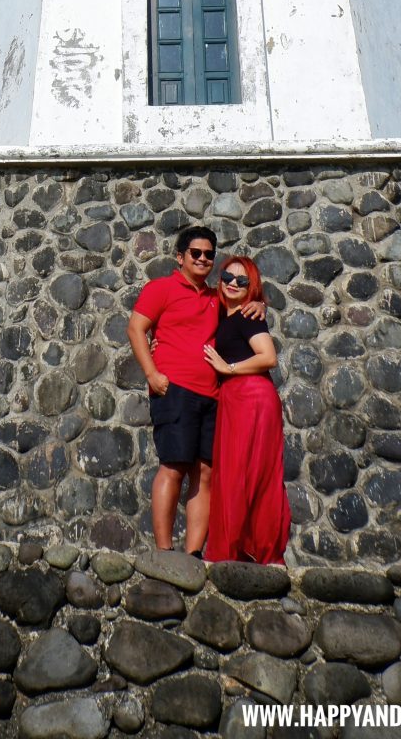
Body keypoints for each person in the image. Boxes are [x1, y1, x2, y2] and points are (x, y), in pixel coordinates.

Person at [126, 226, 264, 552]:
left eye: (208, 254)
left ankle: (192, 554)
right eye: (196, 253)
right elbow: (136, 328)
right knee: (173, 467)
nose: (203, 259)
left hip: (213, 395)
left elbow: (243, 300)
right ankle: (164, 552)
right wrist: (151, 374)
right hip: (174, 390)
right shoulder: (161, 288)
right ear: (180, 257)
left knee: (204, 474)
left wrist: (260, 305)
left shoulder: (217, 296)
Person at [201, 254, 291, 564]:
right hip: (237, 398)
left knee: (247, 473)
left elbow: (268, 357)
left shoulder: (247, 315)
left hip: (250, 396)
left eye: (243, 281)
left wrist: (230, 367)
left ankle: (249, 550)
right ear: (219, 280)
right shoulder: (225, 316)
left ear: (252, 286)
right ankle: (245, 549)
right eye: (228, 278)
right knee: (239, 473)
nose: (234, 284)